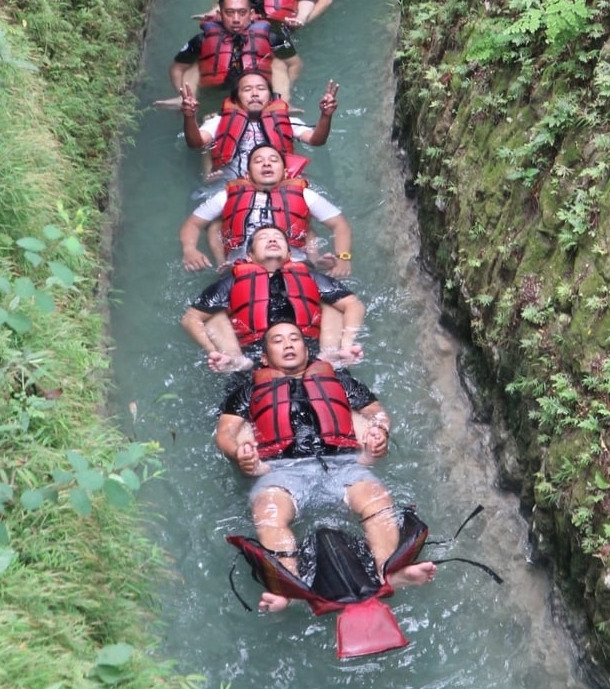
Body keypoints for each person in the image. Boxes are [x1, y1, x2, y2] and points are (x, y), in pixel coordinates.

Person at [216, 320, 436, 614]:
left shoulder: (339, 380)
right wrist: (239, 452)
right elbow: (225, 433)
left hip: (342, 465)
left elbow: (377, 414)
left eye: (295, 339)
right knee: (269, 512)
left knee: (377, 500)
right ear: (265, 358)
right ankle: (291, 589)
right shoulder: (247, 390)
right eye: (278, 341)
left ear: (308, 351)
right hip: (282, 470)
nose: (289, 344)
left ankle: (388, 574)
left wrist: (379, 434)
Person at [181, 225, 364, 370]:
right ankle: (233, 360)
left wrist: (347, 342)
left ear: (290, 255)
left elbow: (353, 305)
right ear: (250, 257)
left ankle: (332, 354)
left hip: (307, 349)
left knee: (332, 304)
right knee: (213, 314)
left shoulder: (310, 277)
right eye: (263, 238)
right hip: (253, 354)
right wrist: (211, 350)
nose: (272, 239)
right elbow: (191, 318)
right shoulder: (232, 282)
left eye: (278, 238)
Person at [178, 143, 351, 270]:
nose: (266, 164)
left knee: (307, 227)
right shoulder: (226, 196)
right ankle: (222, 266)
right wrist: (190, 249)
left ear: (284, 173)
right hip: (241, 268)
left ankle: (315, 261)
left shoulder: (305, 195)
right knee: (216, 224)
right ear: (247, 174)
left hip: (295, 266)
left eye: (273, 160)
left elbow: (339, 224)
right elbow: (193, 224)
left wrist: (343, 257)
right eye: (258, 161)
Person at [180, 72, 338, 182]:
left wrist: (326, 115)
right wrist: (189, 116)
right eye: (247, 89)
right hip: (232, 183)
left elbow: (316, 140)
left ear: (271, 97)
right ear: (236, 98)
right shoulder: (218, 121)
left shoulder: (287, 121)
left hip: (277, 181)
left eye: (261, 89)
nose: (255, 94)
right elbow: (196, 143)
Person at [162, 0, 292, 104]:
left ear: (251, 14)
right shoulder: (202, 39)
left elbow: (295, 64)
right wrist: (179, 88)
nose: (236, 19)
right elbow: (177, 68)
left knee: (278, 63)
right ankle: (185, 97)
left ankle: (283, 101)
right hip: (216, 89)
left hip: (255, 88)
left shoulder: (270, 38)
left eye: (242, 13)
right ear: (219, 14)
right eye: (229, 13)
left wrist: (286, 85)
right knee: (195, 65)